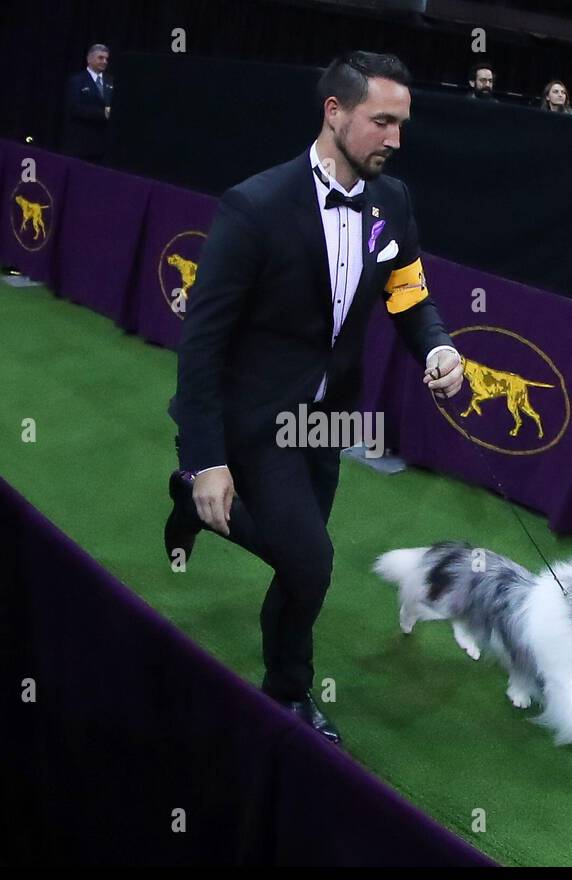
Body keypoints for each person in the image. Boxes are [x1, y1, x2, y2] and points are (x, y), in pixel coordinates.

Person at [164, 52, 464, 744]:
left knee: (303, 563)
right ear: (335, 113)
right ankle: (289, 692)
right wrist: (206, 458)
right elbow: (202, 346)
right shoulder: (255, 206)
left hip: (327, 421)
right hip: (258, 420)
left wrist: (440, 348)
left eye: (402, 125)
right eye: (381, 122)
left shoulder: (393, 201)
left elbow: (409, 294)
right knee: (312, 561)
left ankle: (196, 516)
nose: (395, 139)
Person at [61, 43, 113, 164]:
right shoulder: (77, 81)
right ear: (89, 59)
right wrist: (103, 114)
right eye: (101, 58)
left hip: (102, 147)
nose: (104, 61)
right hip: (81, 144)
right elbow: (74, 109)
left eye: (106, 59)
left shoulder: (112, 82)